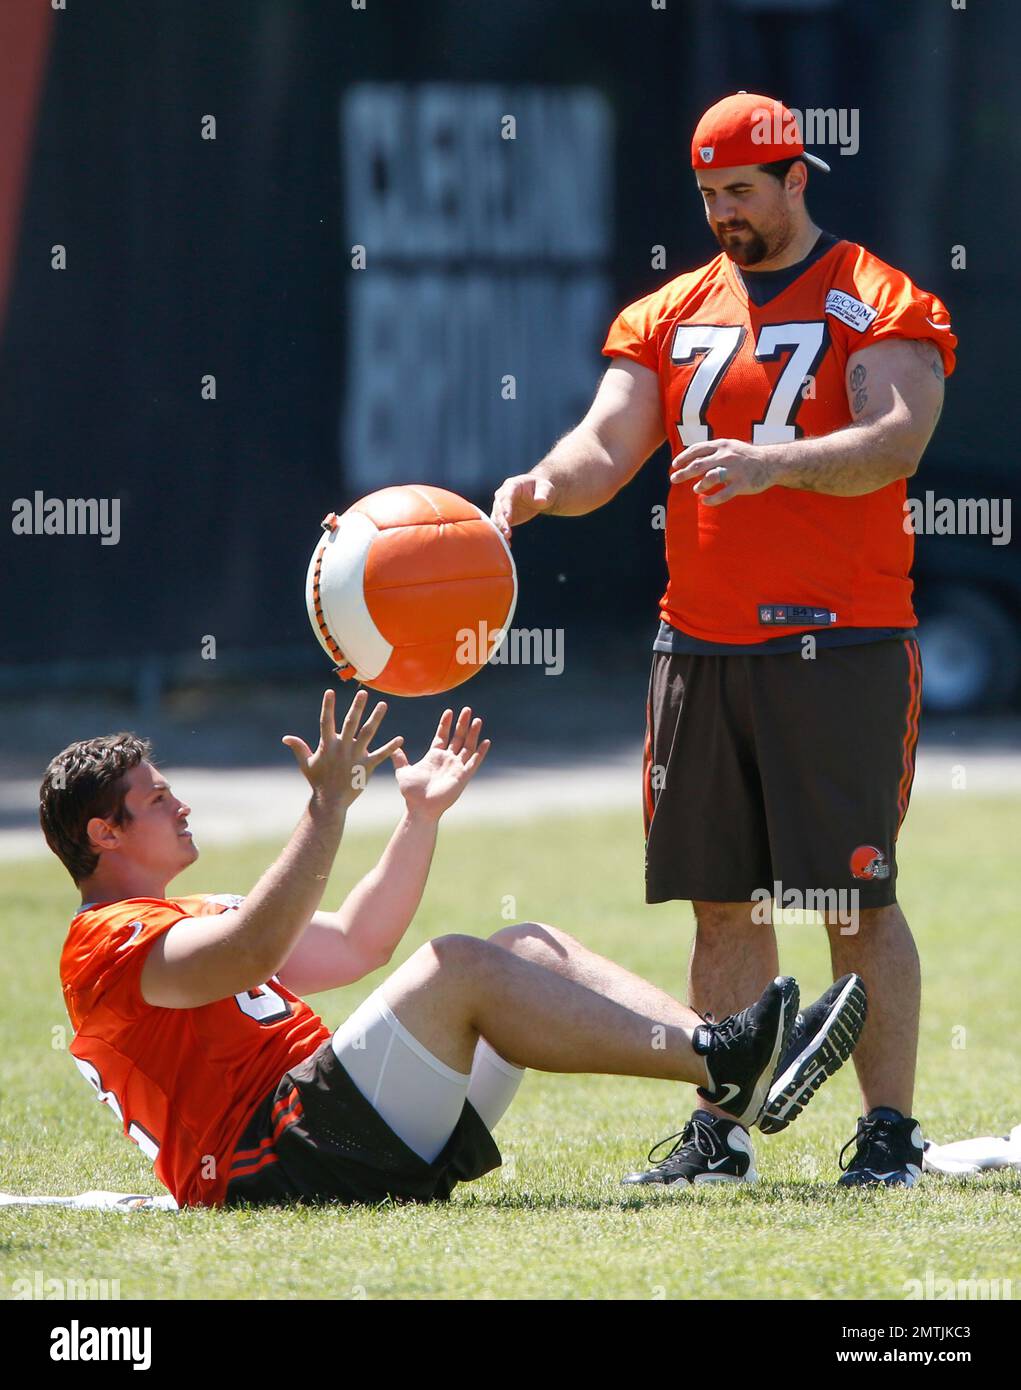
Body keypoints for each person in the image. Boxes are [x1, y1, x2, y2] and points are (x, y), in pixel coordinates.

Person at [491, 91, 956, 1188]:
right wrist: (539, 487)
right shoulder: (669, 312)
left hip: (839, 643)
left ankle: (886, 1133)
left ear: (797, 180)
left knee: (854, 896)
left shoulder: (877, 297)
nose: (722, 214)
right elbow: (605, 444)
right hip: (697, 648)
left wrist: (771, 463)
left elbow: (898, 440)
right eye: (705, 194)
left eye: (740, 190)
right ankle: (724, 1131)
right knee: (720, 900)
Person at [43, 689, 860, 1207]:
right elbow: (251, 951)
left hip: (330, 1134)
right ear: (104, 833)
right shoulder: (101, 942)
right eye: (156, 799)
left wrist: (417, 818)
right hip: (270, 1162)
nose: (181, 804)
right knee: (458, 965)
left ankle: (733, 1059)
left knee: (519, 945)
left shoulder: (175, 911)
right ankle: (726, 1061)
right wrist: (326, 809)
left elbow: (363, 942)